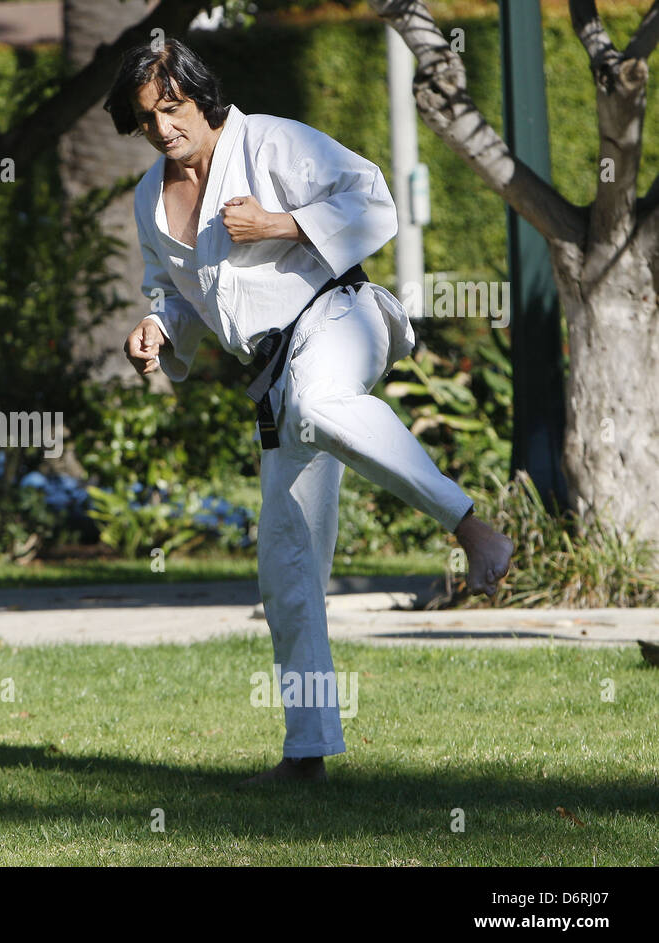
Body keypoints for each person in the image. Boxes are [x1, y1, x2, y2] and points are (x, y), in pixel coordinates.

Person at [105, 39, 514, 784]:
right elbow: (178, 292)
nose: (165, 128)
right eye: (148, 118)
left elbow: (372, 199)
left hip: (335, 318)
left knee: (328, 401)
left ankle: (471, 527)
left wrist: (281, 225)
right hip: (271, 376)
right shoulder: (149, 200)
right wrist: (157, 329)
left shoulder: (272, 141)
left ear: (200, 97)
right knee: (287, 570)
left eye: (174, 108)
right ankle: (307, 753)